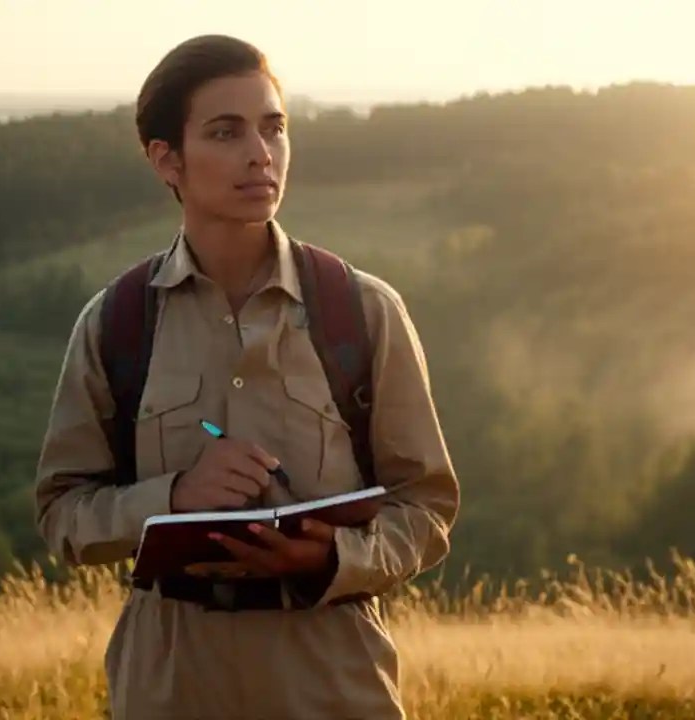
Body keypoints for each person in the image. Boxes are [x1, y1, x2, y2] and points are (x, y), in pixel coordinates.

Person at [33, 34, 460, 719]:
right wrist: (173, 497)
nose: (261, 153)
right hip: (168, 681)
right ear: (165, 159)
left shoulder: (363, 312)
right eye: (226, 132)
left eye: (274, 127)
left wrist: (330, 559)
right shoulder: (114, 324)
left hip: (331, 680)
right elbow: (62, 514)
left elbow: (428, 508)